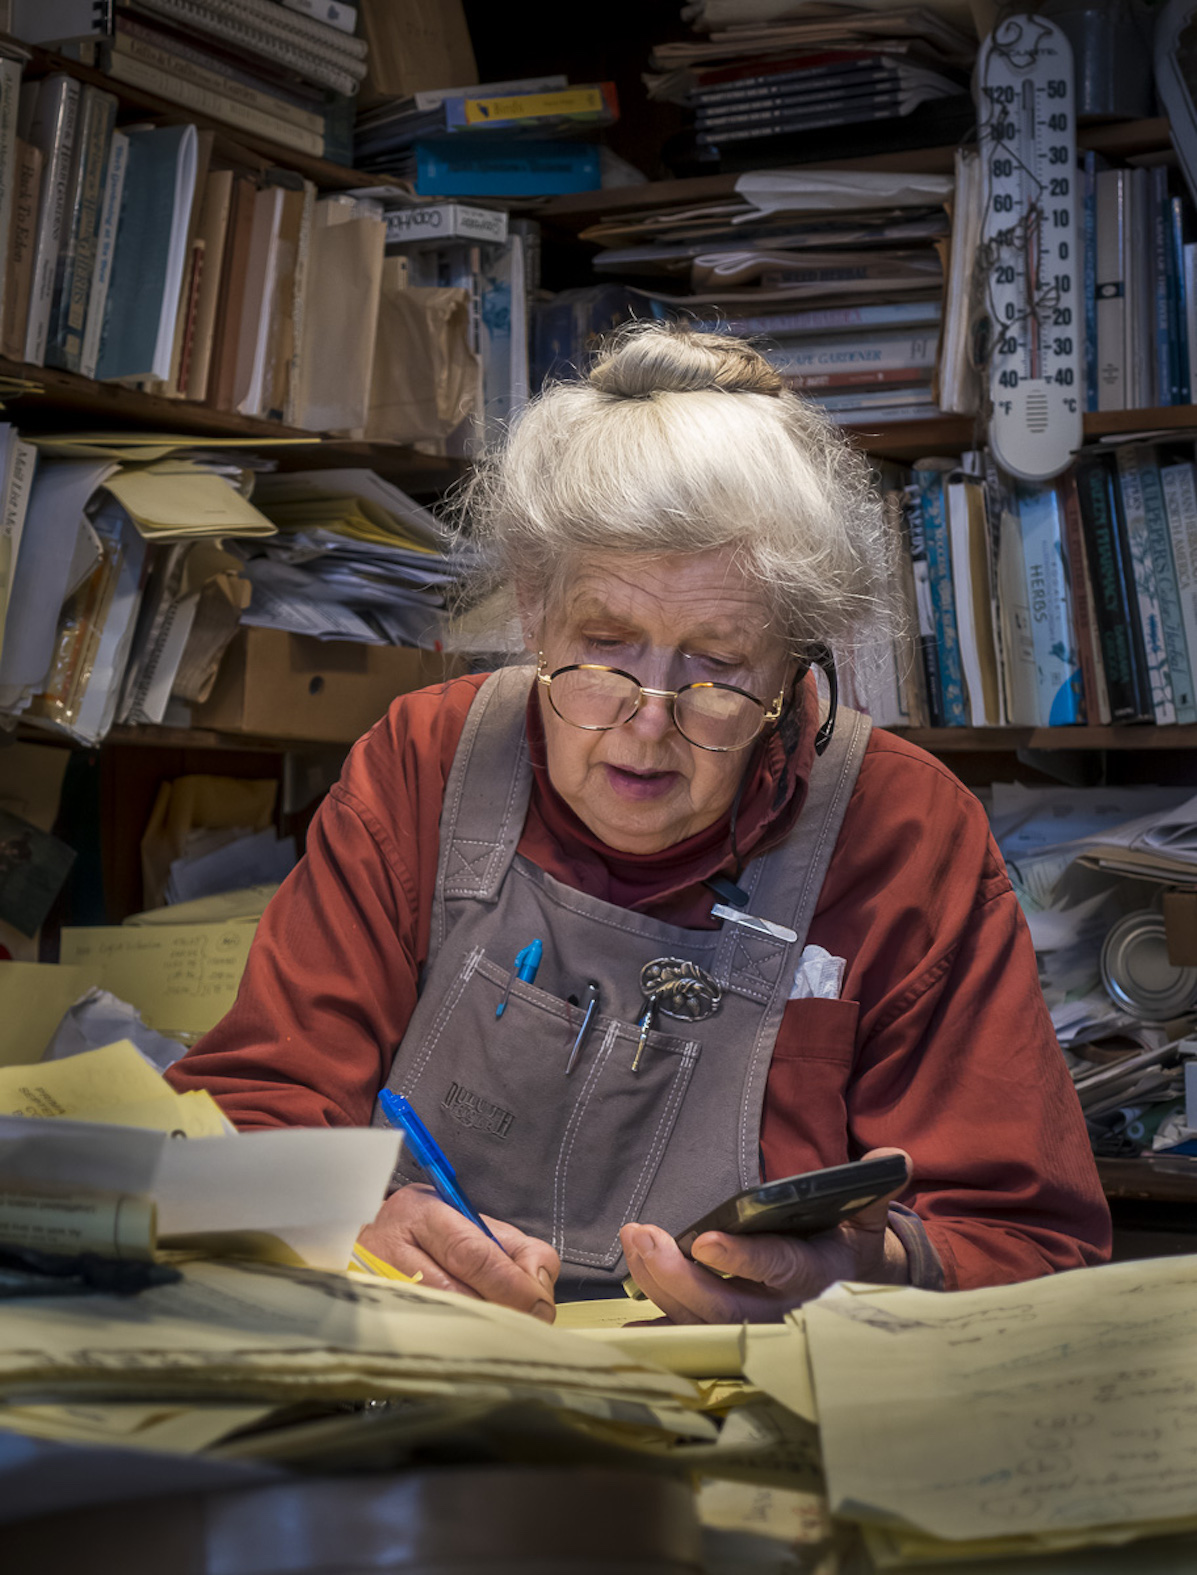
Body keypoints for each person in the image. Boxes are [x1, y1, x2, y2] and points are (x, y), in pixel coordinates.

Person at [168, 324, 1111, 1324]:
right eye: (605, 645)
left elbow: (1031, 1248)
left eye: (718, 664)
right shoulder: (428, 762)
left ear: (796, 659)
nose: (648, 722)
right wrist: (346, 1219)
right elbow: (247, 1111)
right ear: (535, 611)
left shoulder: (905, 831)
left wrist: (854, 1271)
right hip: (417, 1374)